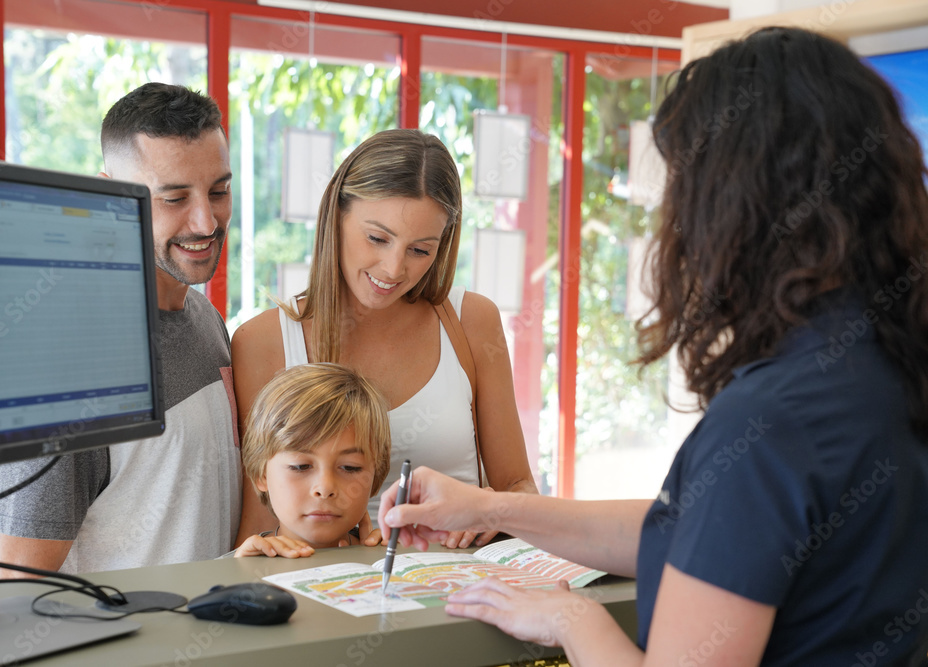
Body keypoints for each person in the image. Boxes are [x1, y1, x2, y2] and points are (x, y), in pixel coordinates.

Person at [379, 27, 928, 666]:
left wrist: (567, 617)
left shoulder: (774, 418)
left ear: (734, 205)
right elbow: (701, 533)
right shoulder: (880, 363)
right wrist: (493, 507)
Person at [232, 128, 537, 550]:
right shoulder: (262, 342)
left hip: (465, 586)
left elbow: (519, 486)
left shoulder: (472, 321)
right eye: (377, 238)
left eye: (420, 250)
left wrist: (493, 509)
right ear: (336, 217)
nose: (394, 269)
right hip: (328, 593)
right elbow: (260, 517)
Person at [0, 83, 242, 575]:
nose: (207, 221)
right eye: (174, 198)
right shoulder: (68, 360)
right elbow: (21, 581)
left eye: (219, 191)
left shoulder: (208, 320)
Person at [233, 363, 391, 558]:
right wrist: (240, 577)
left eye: (350, 468)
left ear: (375, 475)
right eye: (301, 466)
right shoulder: (239, 562)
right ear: (261, 474)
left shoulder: (392, 558)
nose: (325, 489)